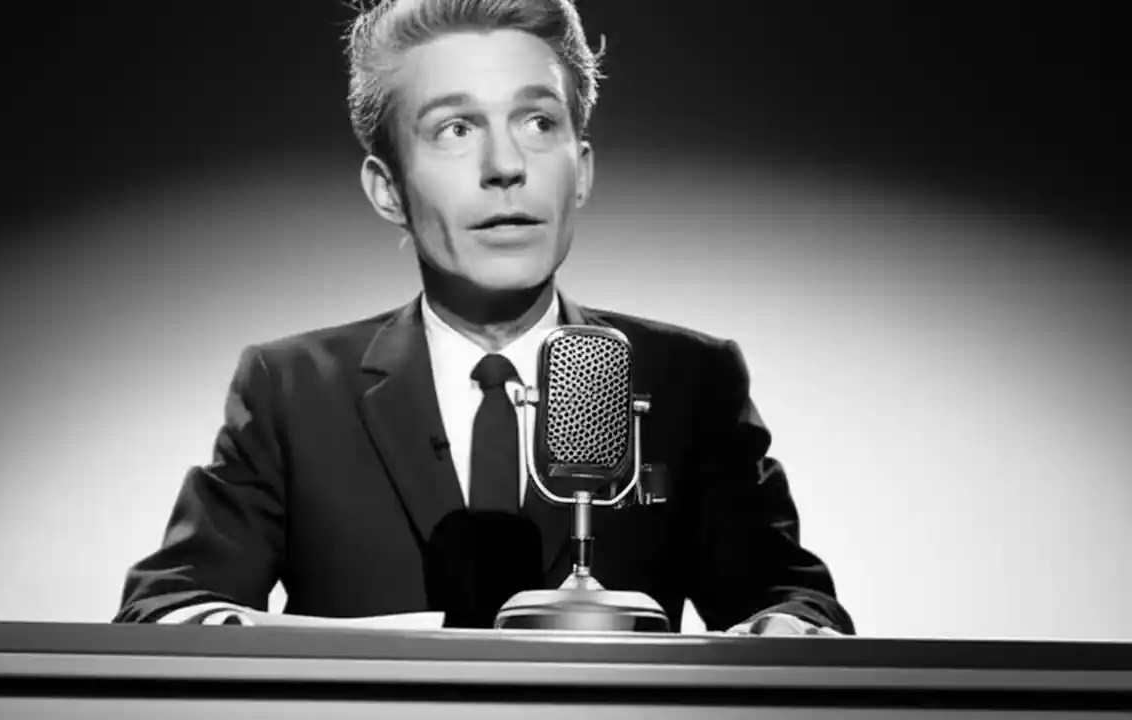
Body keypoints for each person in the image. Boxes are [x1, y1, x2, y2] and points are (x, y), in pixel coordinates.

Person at [114, 0, 854, 636]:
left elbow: (794, 606)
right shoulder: (292, 387)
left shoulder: (691, 380)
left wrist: (786, 627)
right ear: (387, 189)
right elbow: (167, 606)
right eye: (454, 129)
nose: (506, 165)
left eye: (537, 121)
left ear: (582, 168)